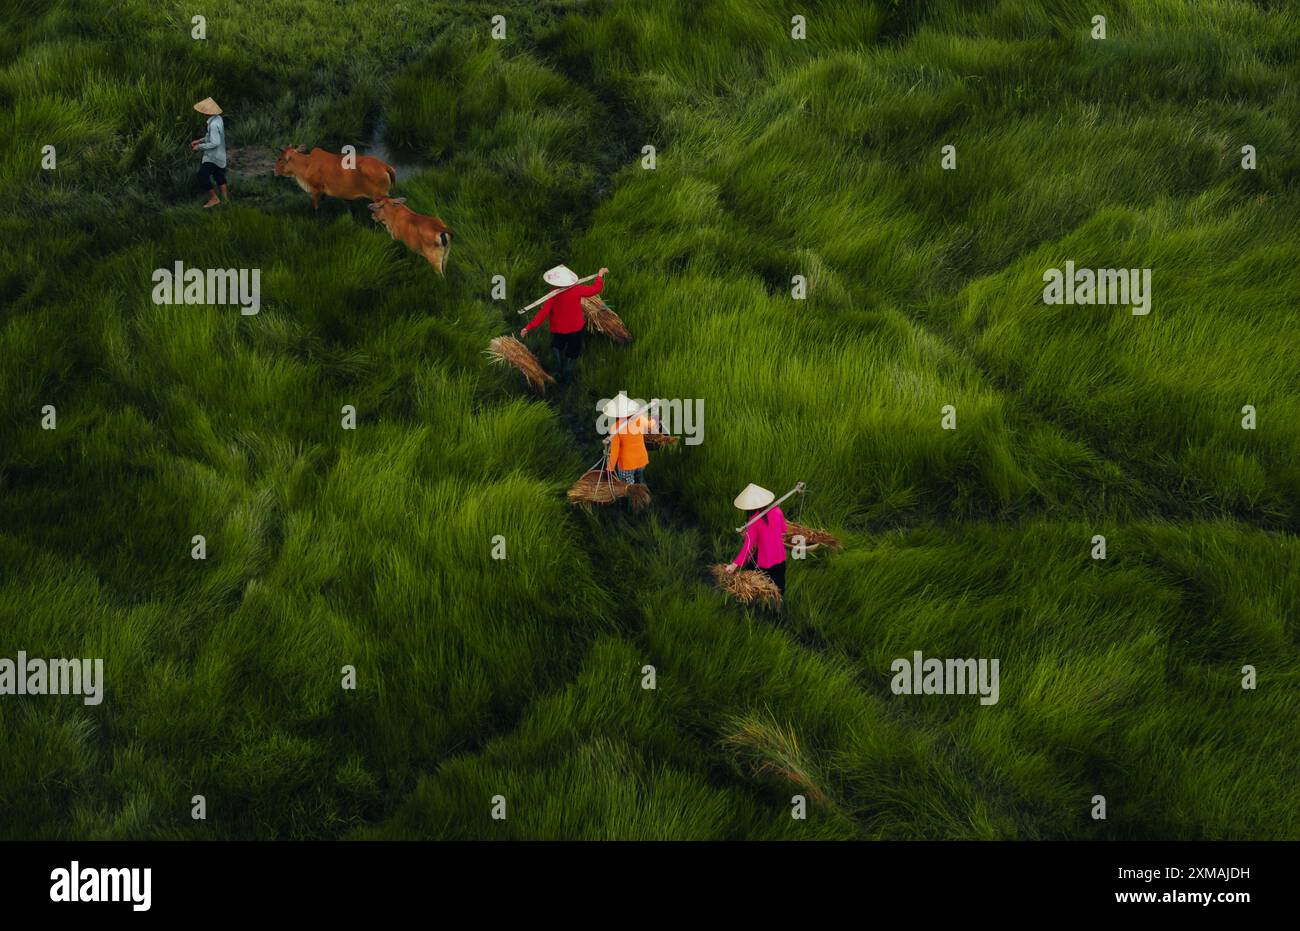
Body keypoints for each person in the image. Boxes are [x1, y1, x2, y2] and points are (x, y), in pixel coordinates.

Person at [520, 264, 608, 383]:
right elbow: (595, 289)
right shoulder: (577, 289)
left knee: (557, 345)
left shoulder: (552, 295)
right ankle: (567, 371)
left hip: (558, 329)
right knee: (573, 350)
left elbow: (543, 313)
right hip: (576, 328)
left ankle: (559, 366)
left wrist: (528, 327)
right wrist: (600, 275)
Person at [725, 483, 788, 599]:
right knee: (779, 586)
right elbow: (784, 530)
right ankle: (780, 606)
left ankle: (758, 604)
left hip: (766, 560)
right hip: (780, 557)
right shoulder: (777, 510)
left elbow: (748, 546)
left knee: (758, 583)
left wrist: (734, 565)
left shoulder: (754, 520)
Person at [603, 393, 657, 487]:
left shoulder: (615, 428)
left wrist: (610, 469)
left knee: (629, 487)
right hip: (641, 460)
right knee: (640, 478)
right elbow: (650, 425)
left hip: (627, 465)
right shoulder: (640, 419)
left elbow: (614, 451)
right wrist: (654, 418)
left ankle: (632, 500)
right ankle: (644, 493)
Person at [190, 97, 228, 209]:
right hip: (220, 155)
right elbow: (211, 136)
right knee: (219, 175)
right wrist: (200, 140)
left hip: (213, 156)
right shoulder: (218, 119)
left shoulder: (212, 125)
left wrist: (199, 147)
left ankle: (214, 198)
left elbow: (215, 142)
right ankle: (225, 200)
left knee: (202, 175)